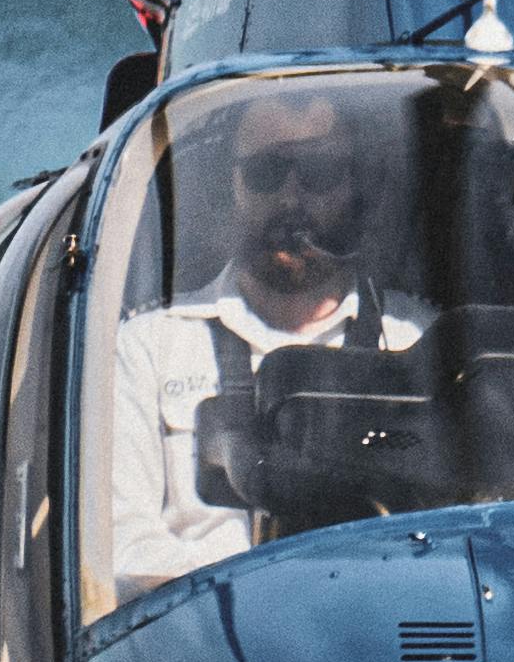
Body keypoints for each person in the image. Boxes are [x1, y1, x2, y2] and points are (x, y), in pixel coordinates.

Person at [115, 94, 437, 571]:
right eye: (266, 173)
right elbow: (124, 547)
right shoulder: (148, 347)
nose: (291, 200)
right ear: (233, 183)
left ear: (352, 185)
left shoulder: (419, 340)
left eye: (319, 174)